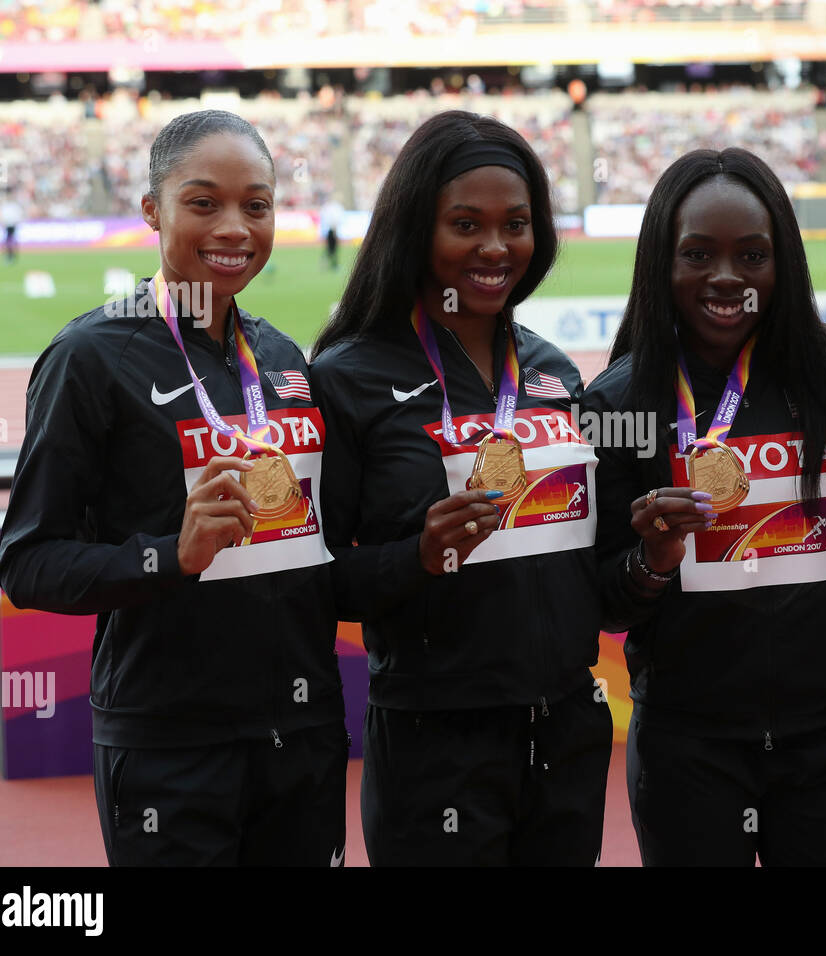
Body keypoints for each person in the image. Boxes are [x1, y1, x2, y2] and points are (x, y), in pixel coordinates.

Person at [0, 110, 347, 867]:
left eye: (256, 205)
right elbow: (28, 564)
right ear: (152, 210)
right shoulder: (90, 356)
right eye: (203, 202)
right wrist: (168, 556)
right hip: (171, 746)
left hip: (303, 733)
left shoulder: (282, 357)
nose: (234, 227)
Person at [310, 111, 612, 866]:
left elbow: (581, 559)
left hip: (567, 725)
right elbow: (314, 580)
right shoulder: (348, 376)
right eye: (465, 224)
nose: (495, 247)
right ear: (418, 228)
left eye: (516, 224)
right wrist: (417, 553)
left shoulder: (552, 372)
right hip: (435, 737)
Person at [583, 148, 826, 866]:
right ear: (662, 262)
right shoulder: (616, 402)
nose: (727, 278)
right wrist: (651, 561)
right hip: (689, 745)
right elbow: (605, 601)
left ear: (783, 262)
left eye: (752, 255)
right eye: (698, 254)